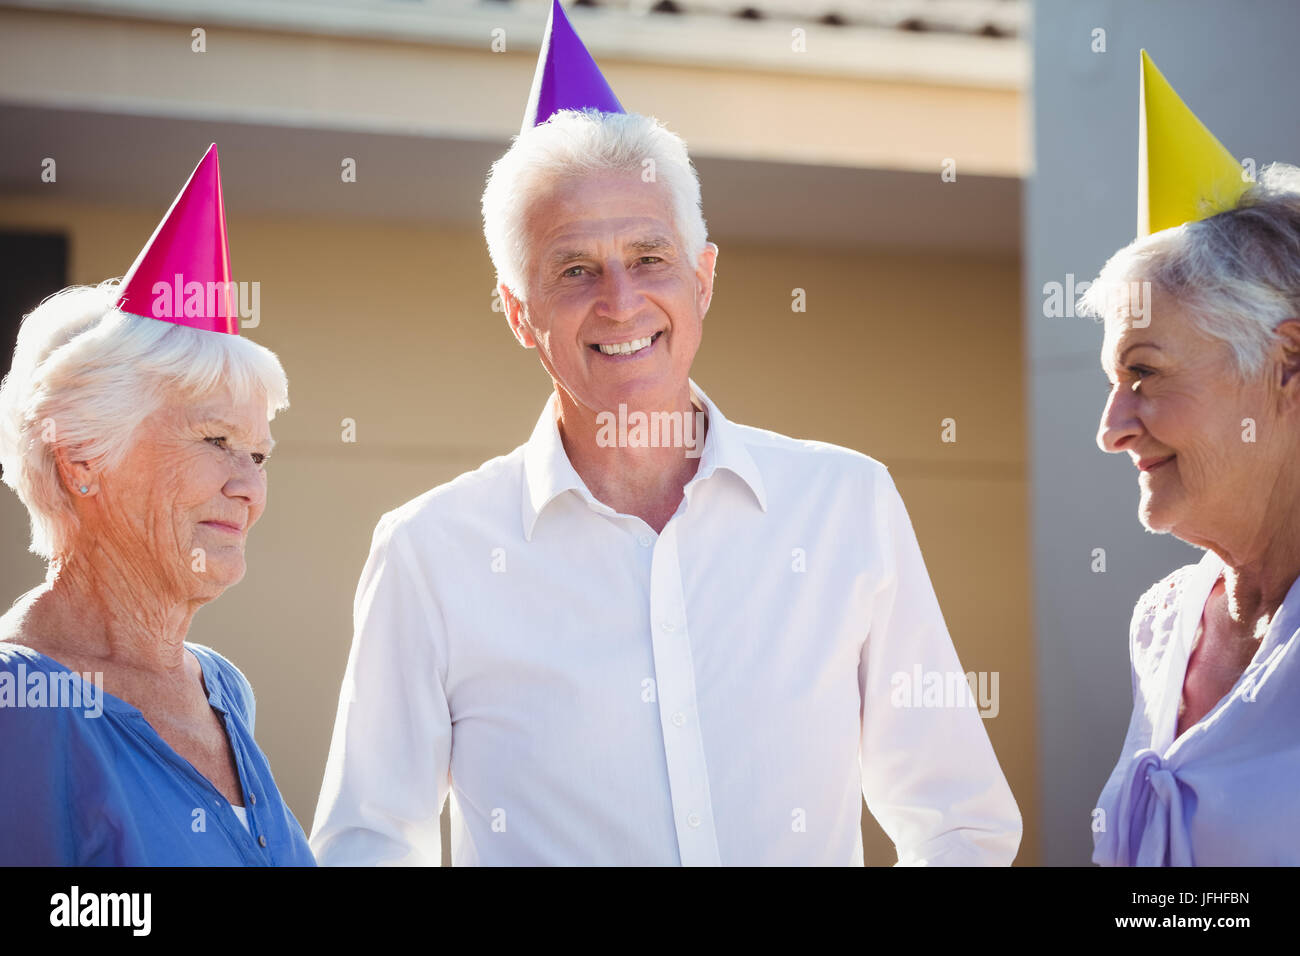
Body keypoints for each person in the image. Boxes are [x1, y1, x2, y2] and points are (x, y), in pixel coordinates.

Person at [311, 0, 1020, 866]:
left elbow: (959, 823)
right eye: (575, 271)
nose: (620, 301)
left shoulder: (847, 504)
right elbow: (367, 846)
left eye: (649, 258)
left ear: (703, 277)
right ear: (519, 314)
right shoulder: (430, 553)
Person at [0, 145, 315, 865]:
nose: (250, 486)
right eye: (216, 439)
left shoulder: (220, 688)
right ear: (82, 456)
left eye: (258, 453)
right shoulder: (19, 702)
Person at [1084, 52, 1300, 866]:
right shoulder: (1165, 619)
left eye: (1145, 372)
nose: (1111, 427)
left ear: (1287, 364)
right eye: (1113, 380)